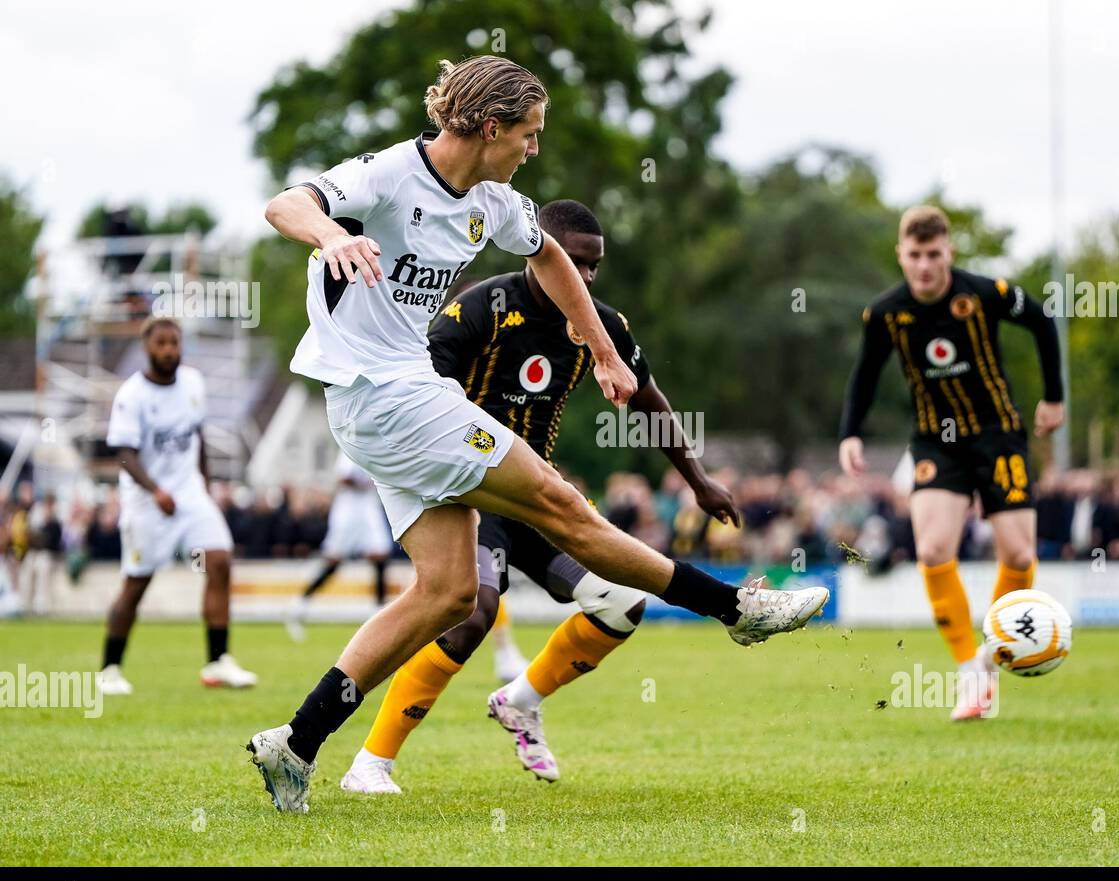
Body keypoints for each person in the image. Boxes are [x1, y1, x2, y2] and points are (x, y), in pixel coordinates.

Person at [251, 55, 827, 813]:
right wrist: (330, 234)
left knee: (450, 593)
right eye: (528, 133)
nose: (534, 148)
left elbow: (550, 255)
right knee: (560, 505)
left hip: (391, 402)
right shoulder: (390, 175)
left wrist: (605, 350)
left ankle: (295, 743)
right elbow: (284, 203)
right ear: (490, 128)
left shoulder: (492, 202)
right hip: (385, 396)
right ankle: (736, 609)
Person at [341, 199, 742, 793]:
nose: (583, 276)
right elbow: (420, 380)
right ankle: (371, 762)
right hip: (471, 485)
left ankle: (521, 700)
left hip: (536, 494)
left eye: (594, 266)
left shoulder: (601, 324)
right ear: (539, 253)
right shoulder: (482, 307)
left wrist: (698, 480)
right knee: (470, 610)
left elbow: (648, 398)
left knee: (621, 604)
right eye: (573, 262)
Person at [838, 205, 1063, 720]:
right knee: (935, 547)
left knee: (1020, 553)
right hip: (935, 443)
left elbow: (1043, 319)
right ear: (901, 254)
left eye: (933, 255)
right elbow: (865, 375)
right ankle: (970, 672)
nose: (923, 266)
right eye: (914, 255)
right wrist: (850, 432)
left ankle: (991, 652)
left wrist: (1053, 396)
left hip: (999, 435)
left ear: (949, 252)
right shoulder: (885, 313)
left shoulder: (986, 293)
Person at [97, 317, 257, 695]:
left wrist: (204, 483)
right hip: (147, 502)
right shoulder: (132, 395)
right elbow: (123, 454)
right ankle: (109, 669)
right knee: (137, 583)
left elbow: (197, 437)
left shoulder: (193, 383)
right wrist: (156, 491)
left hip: (189, 496)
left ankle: (218, 662)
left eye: (175, 342)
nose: (169, 349)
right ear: (147, 348)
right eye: (161, 343)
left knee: (218, 562)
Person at [284, 450, 393, 642]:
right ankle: (299, 606)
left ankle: (379, 616)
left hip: (368, 506)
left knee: (380, 554)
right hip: (349, 510)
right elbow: (344, 478)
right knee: (333, 562)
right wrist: (371, 481)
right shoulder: (352, 445)